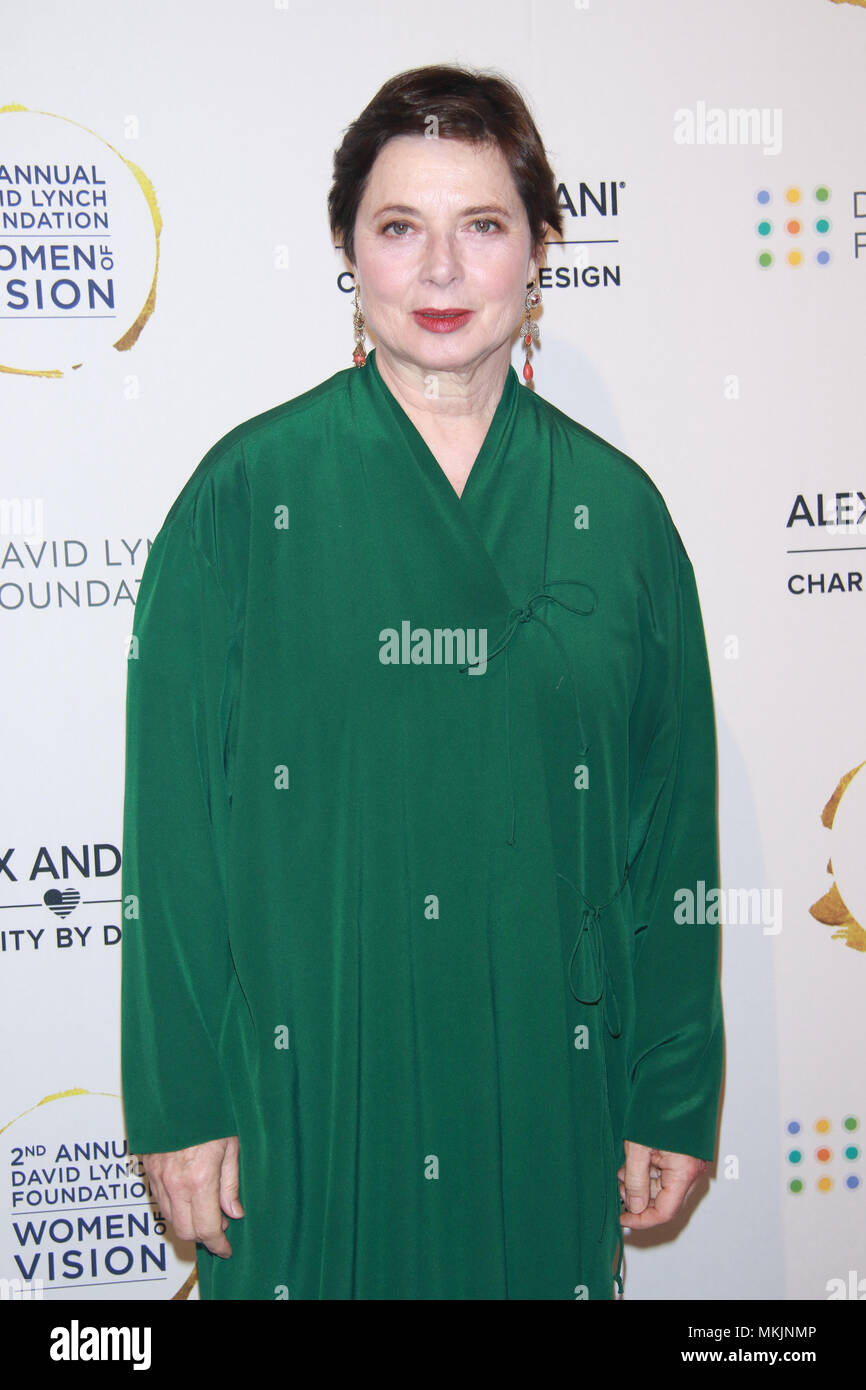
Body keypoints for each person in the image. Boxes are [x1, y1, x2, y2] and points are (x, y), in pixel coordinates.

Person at [121, 63, 724, 1301]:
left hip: (540, 1083)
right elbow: (170, 835)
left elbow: (670, 837)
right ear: (349, 250)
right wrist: (178, 1096)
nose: (440, 271)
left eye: (482, 226)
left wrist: (669, 1087)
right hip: (302, 1089)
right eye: (400, 228)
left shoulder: (619, 518)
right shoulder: (247, 499)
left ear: (540, 247)